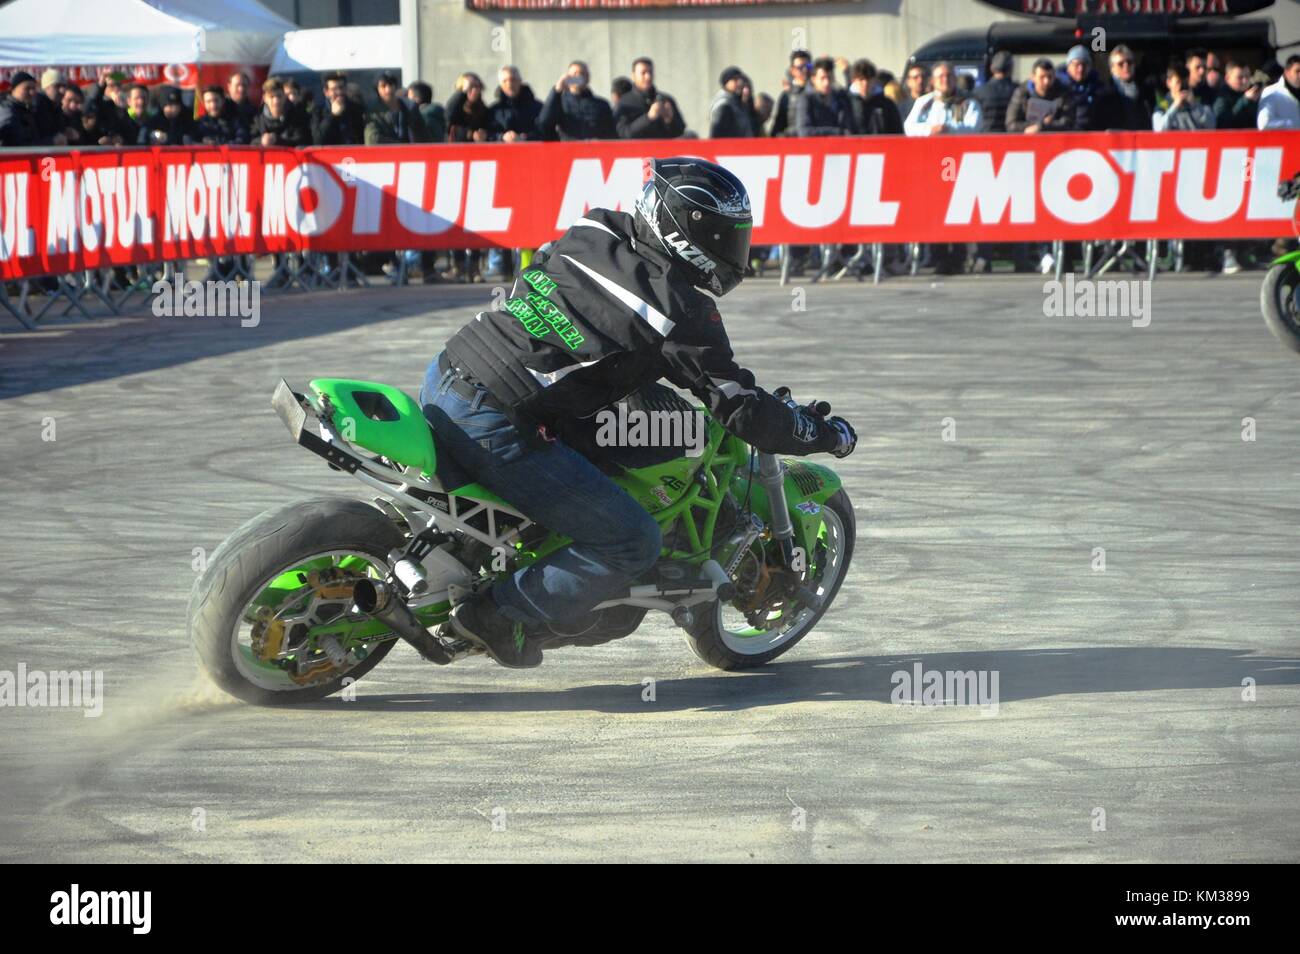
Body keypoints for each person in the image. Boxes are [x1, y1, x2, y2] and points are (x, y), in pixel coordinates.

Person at [420, 157, 857, 668]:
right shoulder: (680, 309)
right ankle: (499, 614)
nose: (731, 247)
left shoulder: (594, 225)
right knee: (632, 540)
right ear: (684, 231)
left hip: (448, 369)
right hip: (497, 419)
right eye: (722, 234)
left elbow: (559, 299)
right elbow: (739, 409)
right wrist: (823, 434)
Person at [537, 60, 616, 140]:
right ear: (568, 78)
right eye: (574, 74)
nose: (578, 77)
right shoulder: (560, 102)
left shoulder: (601, 105)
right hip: (568, 150)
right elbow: (544, 123)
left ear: (588, 78)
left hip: (592, 151)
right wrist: (557, 90)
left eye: (581, 74)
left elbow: (611, 133)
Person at [615, 56, 686, 138]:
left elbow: (680, 132)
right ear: (633, 76)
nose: (648, 77)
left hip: (663, 150)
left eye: (650, 72)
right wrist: (648, 117)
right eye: (643, 73)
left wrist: (669, 120)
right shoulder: (624, 103)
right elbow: (622, 134)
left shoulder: (666, 100)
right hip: (636, 150)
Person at [904, 61, 981, 135]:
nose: (945, 80)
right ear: (932, 81)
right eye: (941, 76)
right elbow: (908, 127)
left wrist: (949, 129)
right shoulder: (923, 102)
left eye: (948, 76)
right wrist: (929, 130)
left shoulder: (968, 103)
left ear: (955, 79)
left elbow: (974, 128)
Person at [1094, 45, 1154, 131]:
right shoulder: (1103, 95)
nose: (1126, 67)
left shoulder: (1146, 92)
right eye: (1120, 64)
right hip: (1115, 142)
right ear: (1112, 69)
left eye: (1129, 62)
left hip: (1142, 141)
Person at [1006, 58, 1074, 133]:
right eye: (1042, 77)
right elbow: (1011, 124)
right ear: (1033, 77)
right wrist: (1034, 126)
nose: (1046, 81)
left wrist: (1043, 126)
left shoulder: (1063, 93)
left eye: (1049, 77)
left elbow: (1068, 123)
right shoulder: (1022, 93)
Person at [0, 71, 64, 147]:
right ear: (12, 89)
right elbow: (19, 145)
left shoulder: (27, 110)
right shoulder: (7, 111)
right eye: (27, 88)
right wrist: (51, 141)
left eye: (34, 88)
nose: (32, 92)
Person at [795, 57, 853, 135]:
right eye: (822, 78)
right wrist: (838, 132)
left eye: (829, 78)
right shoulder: (806, 99)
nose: (827, 83)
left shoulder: (840, 98)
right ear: (813, 79)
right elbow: (804, 132)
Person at [847, 59, 902, 135]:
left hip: (883, 146)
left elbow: (898, 133)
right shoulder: (847, 105)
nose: (865, 84)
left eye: (868, 79)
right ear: (853, 81)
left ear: (874, 80)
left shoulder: (887, 105)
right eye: (861, 79)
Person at [1153, 64, 1215, 131]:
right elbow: (1159, 129)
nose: (1182, 86)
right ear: (1169, 83)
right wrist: (1175, 106)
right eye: (1178, 82)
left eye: (1185, 82)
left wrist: (1195, 106)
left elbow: (1212, 125)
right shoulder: (1163, 105)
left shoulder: (1199, 100)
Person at [489, 65, 541, 141]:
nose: (509, 84)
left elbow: (544, 131)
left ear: (520, 81)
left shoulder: (537, 107)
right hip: (502, 152)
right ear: (501, 85)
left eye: (513, 80)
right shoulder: (494, 111)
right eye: (505, 81)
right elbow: (488, 134)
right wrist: (502, 137)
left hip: (530, 151)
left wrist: (524, 138)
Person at [252, 79, 311, 146]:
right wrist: (261, 141)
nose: (276, 101)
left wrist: (277, 140)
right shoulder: (258, 119)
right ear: (265, 99)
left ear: (285, 97)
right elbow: (251, 141)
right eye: (271, 97)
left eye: (279, 96)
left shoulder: (297, 116)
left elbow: (301, 141)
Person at [313, 71, 366, 145]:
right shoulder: (318, 112)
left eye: (341, 87)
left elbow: (362, 138)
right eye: (334, 89)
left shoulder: (356, 109)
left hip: (352, 154)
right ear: (326, 92)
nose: (339, 92)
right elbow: (318, 141)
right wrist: (333, 116)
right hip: (330, 155)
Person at [1058, 45, 1103, 130]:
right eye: (1077, 65)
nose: (1080, 69)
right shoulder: (1058, 89)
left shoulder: (1099, 89)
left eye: (1084, 64)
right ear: (1068, 66)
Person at [973, 51, 1017, 133]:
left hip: (987, 139)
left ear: (991, 68)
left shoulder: (979, 92)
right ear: (1011, 69)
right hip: (1011, 140)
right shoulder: (1018, 91)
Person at [771, 49, 811, 137]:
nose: (805, 70)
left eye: (808, 66)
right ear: (792, 70)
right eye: (800, 67)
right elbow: (778, 126)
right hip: (793, 145)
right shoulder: (787, 96)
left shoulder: (816, 93)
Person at [1258, 55, 1300, 129]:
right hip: (1282, 139)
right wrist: (1291, 124)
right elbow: (1264, 124)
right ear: (1287, 72)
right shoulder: (1272, 92)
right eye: (1297, 71)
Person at [709, 66, 752, 138]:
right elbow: (717, 134)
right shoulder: (724, 105)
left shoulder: (736, 102)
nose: (740, 83)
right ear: (726, 83)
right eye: (735, 79)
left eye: (740, 79)